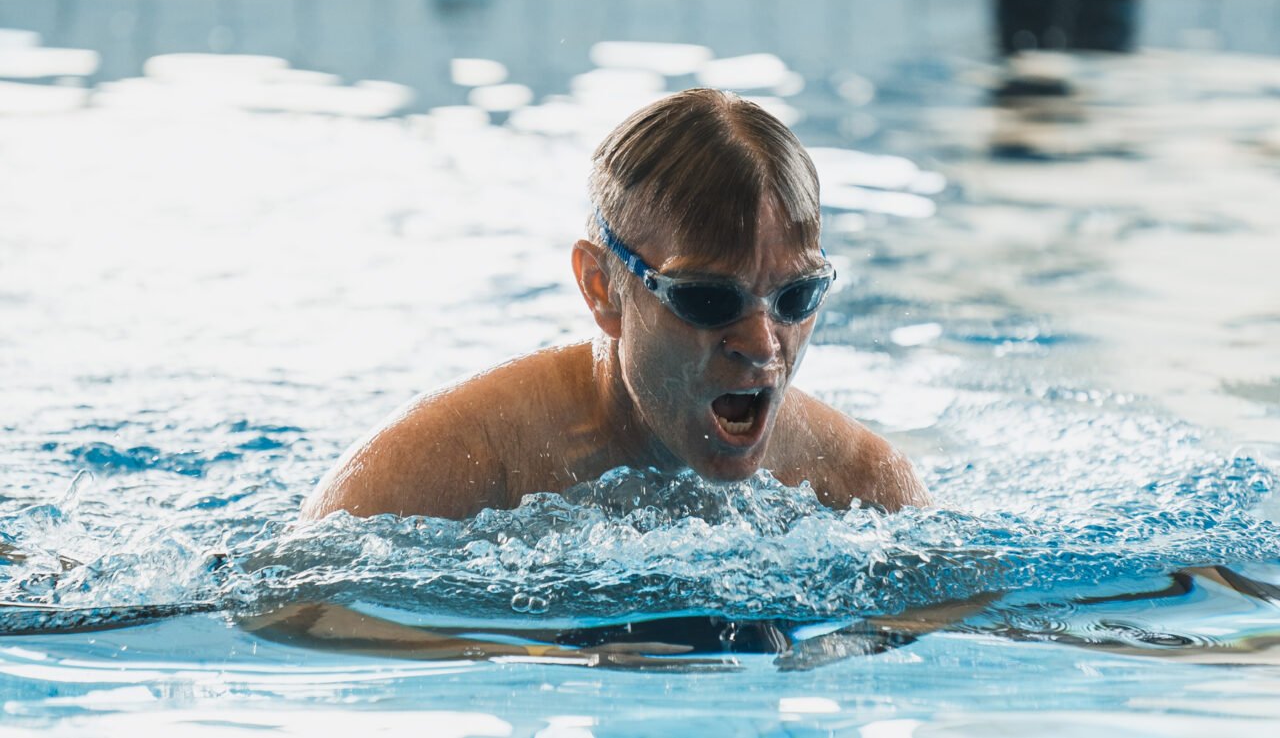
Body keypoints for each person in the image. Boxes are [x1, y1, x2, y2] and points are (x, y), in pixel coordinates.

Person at [301, 88, 929, 521]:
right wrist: (548, 646)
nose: (765, 345)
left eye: (797, 296)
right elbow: (297, 614)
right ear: (602, 289)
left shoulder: (862, 485)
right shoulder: (444, 466)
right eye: (708, 299)